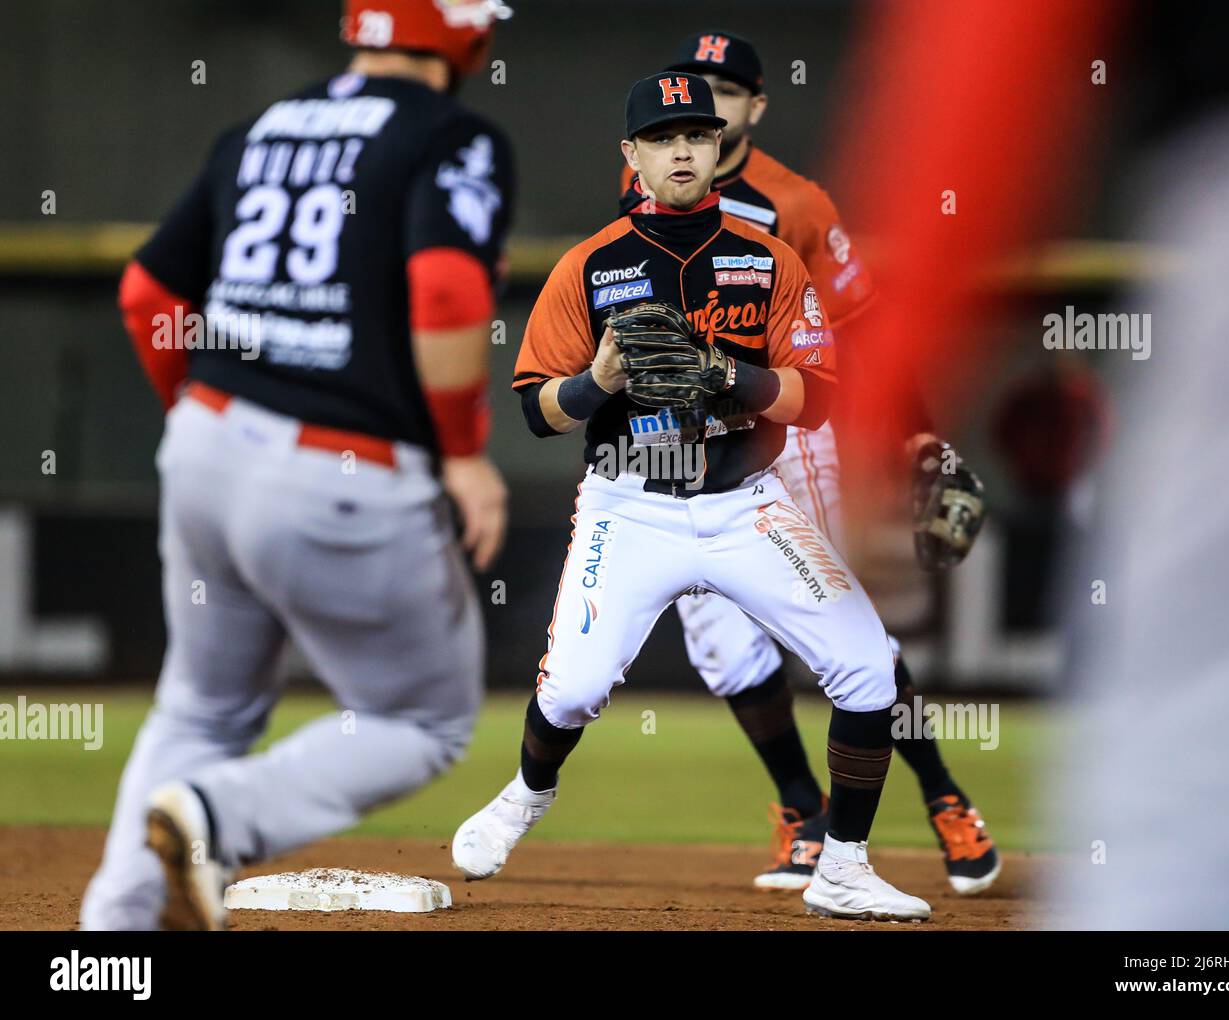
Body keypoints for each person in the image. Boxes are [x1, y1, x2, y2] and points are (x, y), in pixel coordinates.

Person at [451, 72, 931, 922]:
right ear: (631, 155)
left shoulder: (771, 258)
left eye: (698, 134)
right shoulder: (591, 265)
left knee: (865, 670)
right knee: (569, 694)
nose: (682, 148)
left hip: (747, 502)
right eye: (663, 136)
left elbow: (815, 396)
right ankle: (527, 794)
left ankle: (843, 867)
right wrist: (596, 382)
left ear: (720, 148)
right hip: (630, 506)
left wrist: (725, 373)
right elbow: (536, 414)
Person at [79, 0, 515, 930]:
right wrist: (468, 456)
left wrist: (209, 427)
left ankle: (112, 935)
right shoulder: (451, 134)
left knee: (199, 709)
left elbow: (147, 291)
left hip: (204, 440)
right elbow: (443, 286)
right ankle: (218, 816)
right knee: (421, 722)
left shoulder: (263, 126)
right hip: (342, 466)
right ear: (468, 36)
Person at [617, 31, 999, 894]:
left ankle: (943, 795)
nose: (703, 107)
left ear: (754, 107)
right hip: (689, 434)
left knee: (841, 625)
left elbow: (866, 335)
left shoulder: (798, 202)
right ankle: (802, 807)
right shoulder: (642, 184)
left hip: (794, 429)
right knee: (718, 643)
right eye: (693, 88)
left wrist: (919, 434)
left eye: (724, 91)